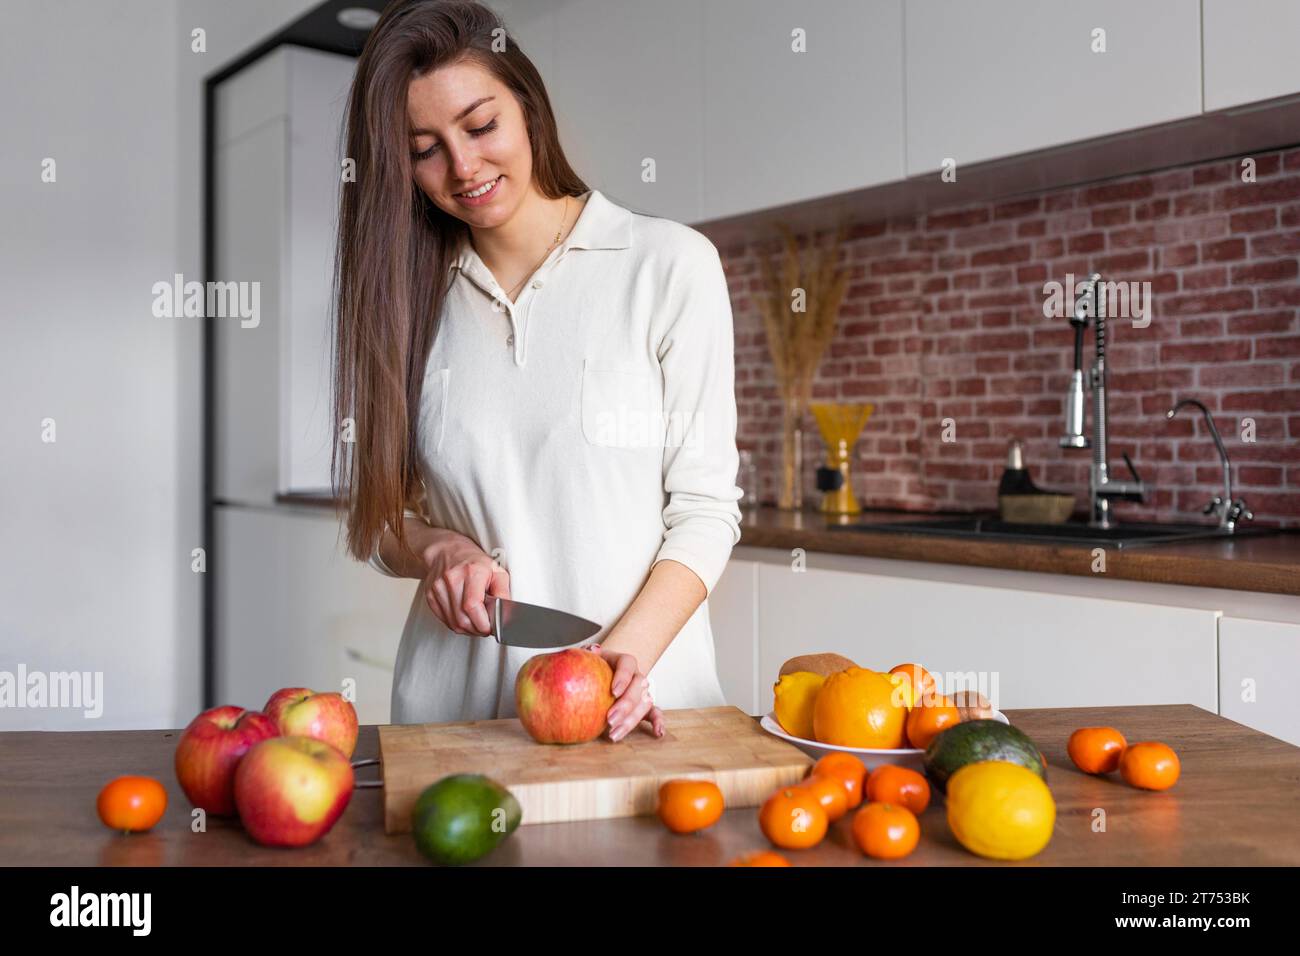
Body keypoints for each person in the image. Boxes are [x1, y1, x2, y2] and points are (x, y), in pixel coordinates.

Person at [332, 0, 741, 741]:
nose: (463, 167)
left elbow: (707, 513)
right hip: (454, 724)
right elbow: (380, 521)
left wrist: (620, 663)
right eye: (424, 148)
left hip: (643, 712)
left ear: (527, 107)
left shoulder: (668, 266)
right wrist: (437, 548)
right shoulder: (404, 301)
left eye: (481, 125)